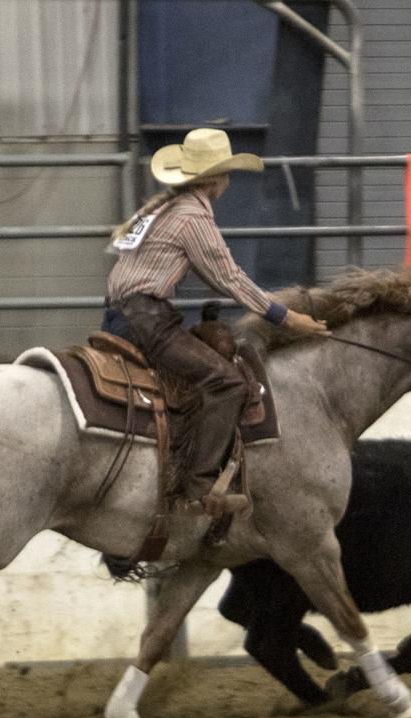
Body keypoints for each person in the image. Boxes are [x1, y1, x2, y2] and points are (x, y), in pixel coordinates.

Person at [102, 128, 329, 517]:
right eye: (226, 173)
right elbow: (230, 278)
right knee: (225, 382)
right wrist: (285, 317)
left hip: (120, 313)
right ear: (216, 179)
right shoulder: (192, 218)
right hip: (146, 320)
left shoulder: (165, 209)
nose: (228, 181)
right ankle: (198, 484)